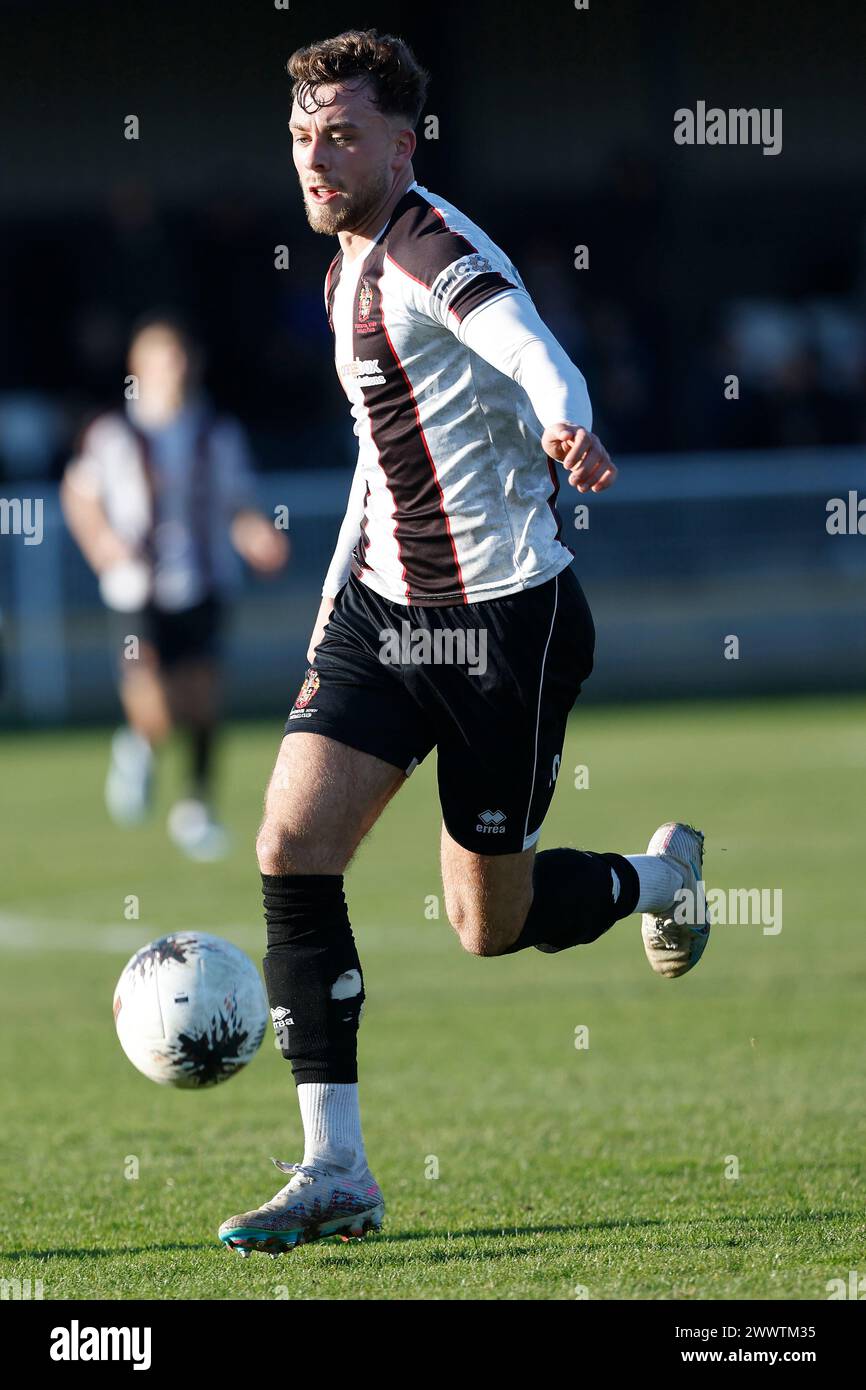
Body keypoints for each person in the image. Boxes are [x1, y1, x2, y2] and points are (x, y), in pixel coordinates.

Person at [218, 28, 709, 1257]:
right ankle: (337, 1168)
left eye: (341, 133)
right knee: (289, 841)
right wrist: (334, 609)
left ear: (401, 142)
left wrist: (569, 426)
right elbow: (374, 474)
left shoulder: (433, 249)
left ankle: (658, 882)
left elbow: (529, 347)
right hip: (387, 618)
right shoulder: (341, 270)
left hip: (505, 630)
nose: (316, 156)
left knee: (485, 925)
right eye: (300, 135)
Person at [61, 316, 288, 860]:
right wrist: (104, 546)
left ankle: (196, 809)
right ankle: (140, 742)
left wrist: (257, 534)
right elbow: (79, 496)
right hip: (136, 589)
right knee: (155, 702)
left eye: (181, 360)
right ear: (138, 369)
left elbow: (238, 504)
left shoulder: (218, 433)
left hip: (205, 584)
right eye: (162, 361)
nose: (174, 372)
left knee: (205, 700)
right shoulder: (113, 435)